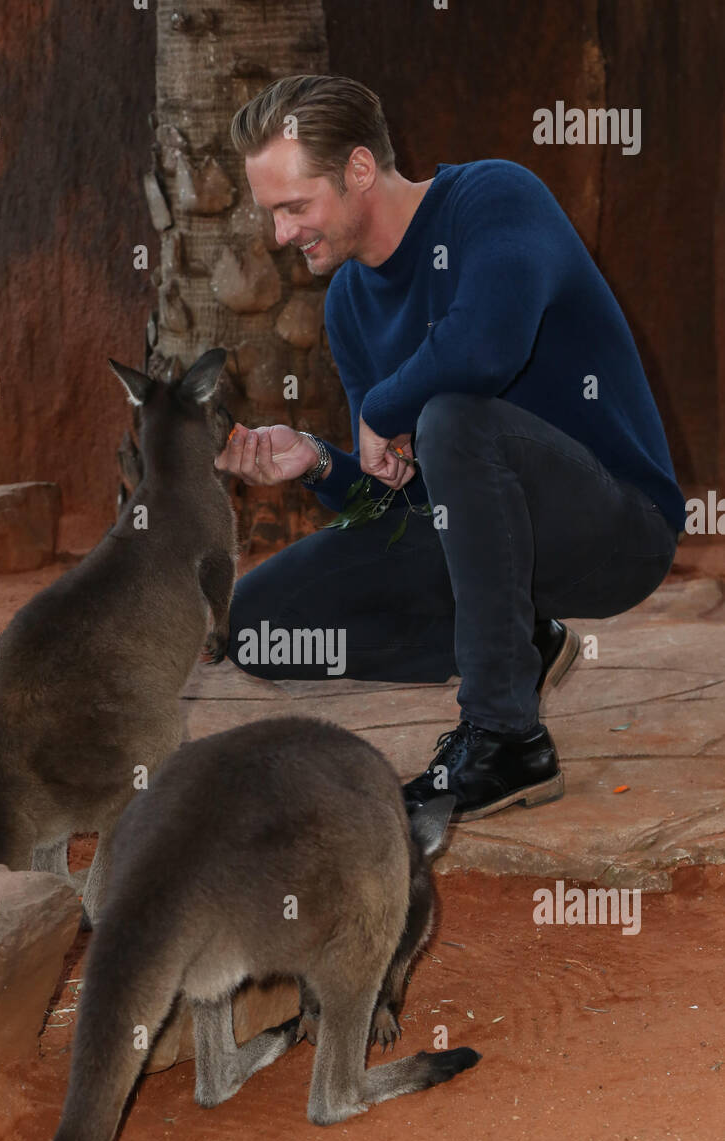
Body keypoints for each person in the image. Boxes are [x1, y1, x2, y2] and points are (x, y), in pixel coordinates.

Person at [214, 74, 685, 822]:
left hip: (616, 530)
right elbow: (400, 501)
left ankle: (506, 741)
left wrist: (386, 408)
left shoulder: (494, 200)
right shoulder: (348, 303)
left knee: (454, 419)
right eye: (271, 213)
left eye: (295, 207)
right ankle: (520, 639)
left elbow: (484, 347)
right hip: (483, 534)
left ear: (360, 170)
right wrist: (321, 461)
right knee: (260, 630)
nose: (280, 236)